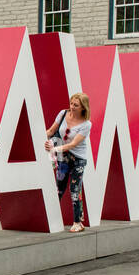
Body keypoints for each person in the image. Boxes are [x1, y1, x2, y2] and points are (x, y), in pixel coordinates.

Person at [45, 92, 93, 233]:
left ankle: (78, 222)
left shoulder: (86, 124)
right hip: (63, 158)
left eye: (76, 105)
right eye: (71, 103)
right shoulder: (62, 113)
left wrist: (55, 148)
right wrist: (41, 138)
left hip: (78, 159)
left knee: (74, 190)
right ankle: (50, 219)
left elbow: (73, 144)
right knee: (58, 189)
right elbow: (52, 130)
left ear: (83, 107)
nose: (72, 107)